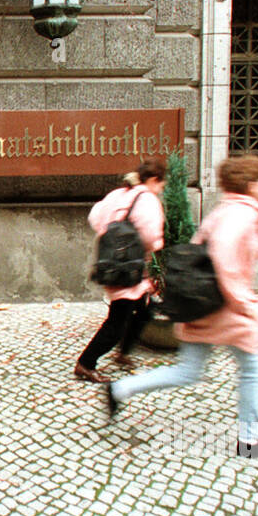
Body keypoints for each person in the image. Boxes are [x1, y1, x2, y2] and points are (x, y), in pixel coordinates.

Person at [104, 153, 258, 459]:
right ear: (251, 184)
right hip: (223, 307)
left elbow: (215, 244)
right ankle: (251, 442)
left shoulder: (229, 209)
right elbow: (223, 256)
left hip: (205, 306)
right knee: (252, 368)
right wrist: (243, 304)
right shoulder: (241, 214)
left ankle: (120, 389)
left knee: (188, 370)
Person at [73, 158, 167, 384]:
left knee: (143, 310)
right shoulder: (148, 200)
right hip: (128, 268)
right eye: (162, 185)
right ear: (154, 180)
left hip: (113, 263)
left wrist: (112, 235)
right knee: (117, 320)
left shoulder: (118, 194)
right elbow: (153, 239)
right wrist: (145, 245)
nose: (161, 189)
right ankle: (86, 363)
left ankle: (123, 353)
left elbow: (94, 217)